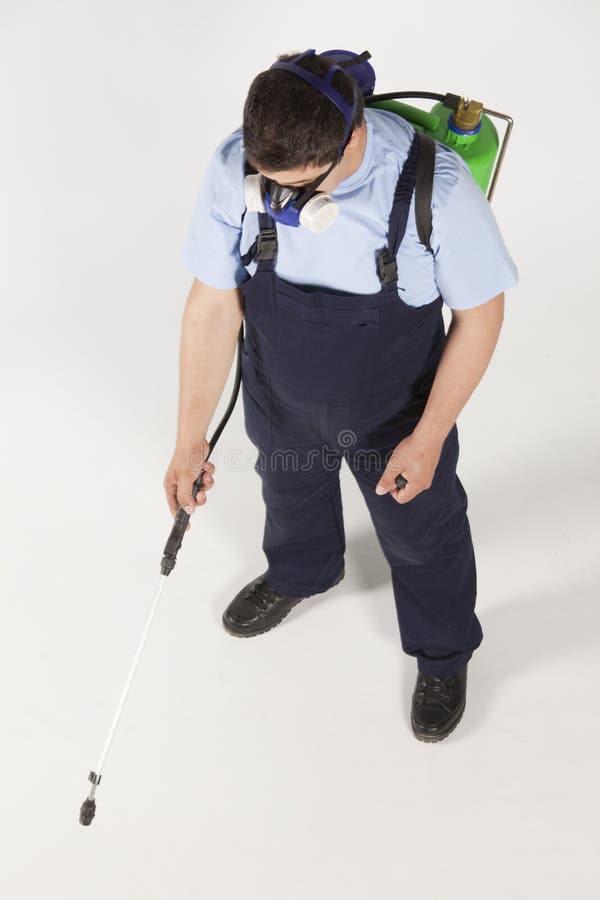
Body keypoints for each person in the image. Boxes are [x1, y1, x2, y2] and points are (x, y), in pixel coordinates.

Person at [164, 50, 519, 742]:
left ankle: (443, 651)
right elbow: (211, 306)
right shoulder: (237, 163)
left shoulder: (432, 188)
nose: (276, 202)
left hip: (395, 409)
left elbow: (482, 317)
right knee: (287, 492)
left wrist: (429, 436)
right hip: (276, 382)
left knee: (421, 533)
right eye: (268, 185)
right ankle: (303, 571)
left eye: (296, 190)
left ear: (351, 138)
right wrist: (189, 436)